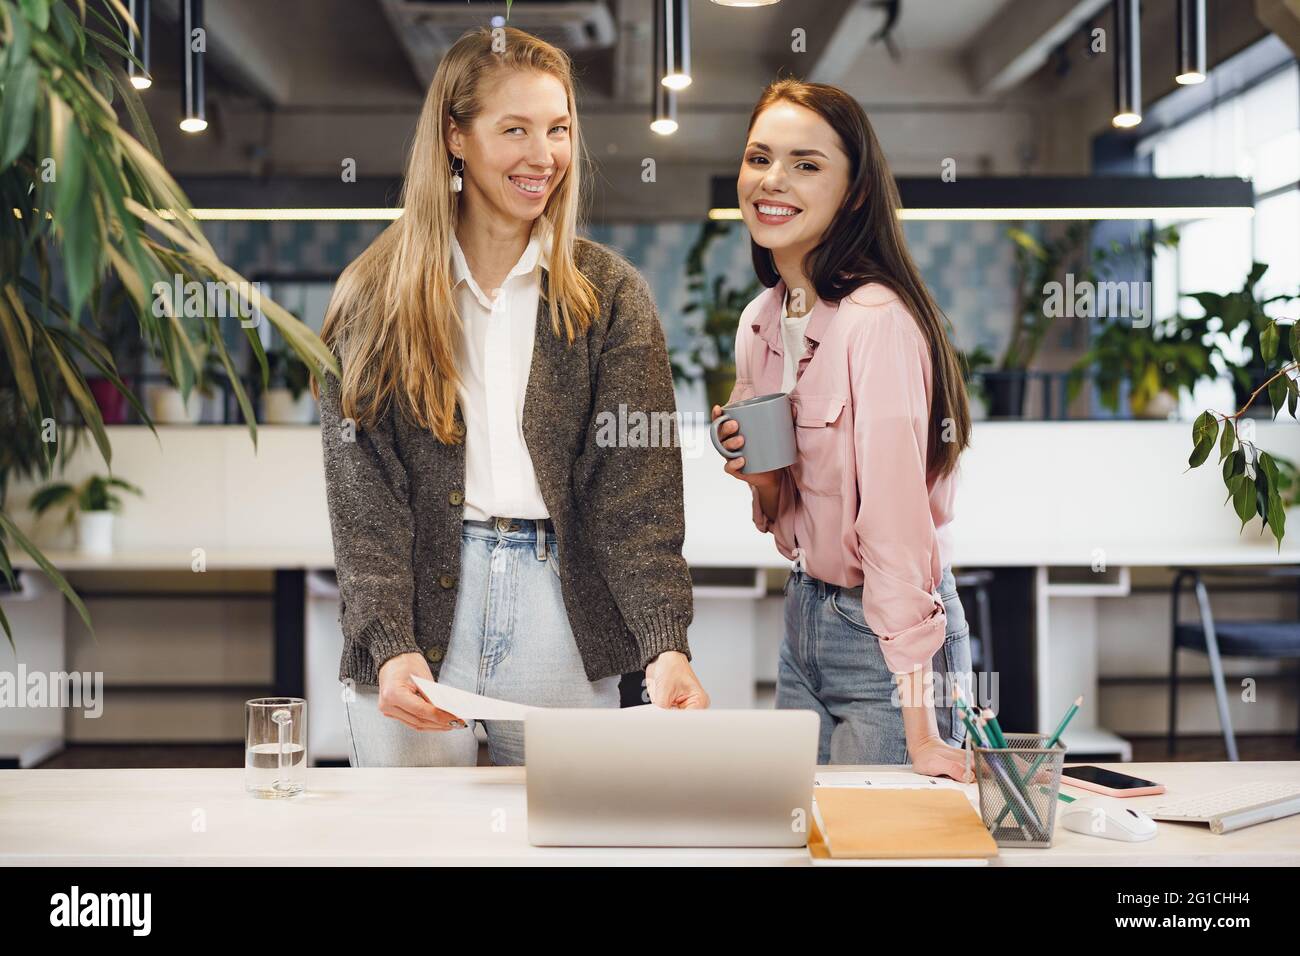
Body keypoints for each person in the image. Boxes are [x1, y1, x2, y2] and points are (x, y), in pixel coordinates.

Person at [316, 27, 709, 768]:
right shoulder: (374, 295)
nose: (544, 156)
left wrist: (664, 645)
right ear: (456, 138)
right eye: (515, 130)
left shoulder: (611, 296)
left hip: (561, 620)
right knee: (416, 845)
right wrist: (389, 643)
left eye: (558, 129)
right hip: (423, 614)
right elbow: (363, 495)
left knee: (559, 844)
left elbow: (639, 495)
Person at [714, 79, 973, 778]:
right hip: (804, 615)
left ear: (855, 191)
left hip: (884, 636)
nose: (772, 180)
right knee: (809, 834)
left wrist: (922, 732)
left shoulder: (876, 323)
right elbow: (778, 517)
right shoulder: (760, 322)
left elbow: (896, 530)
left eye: (806, 164)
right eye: (759, 157)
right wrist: (761, 478)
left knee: (886, 843)